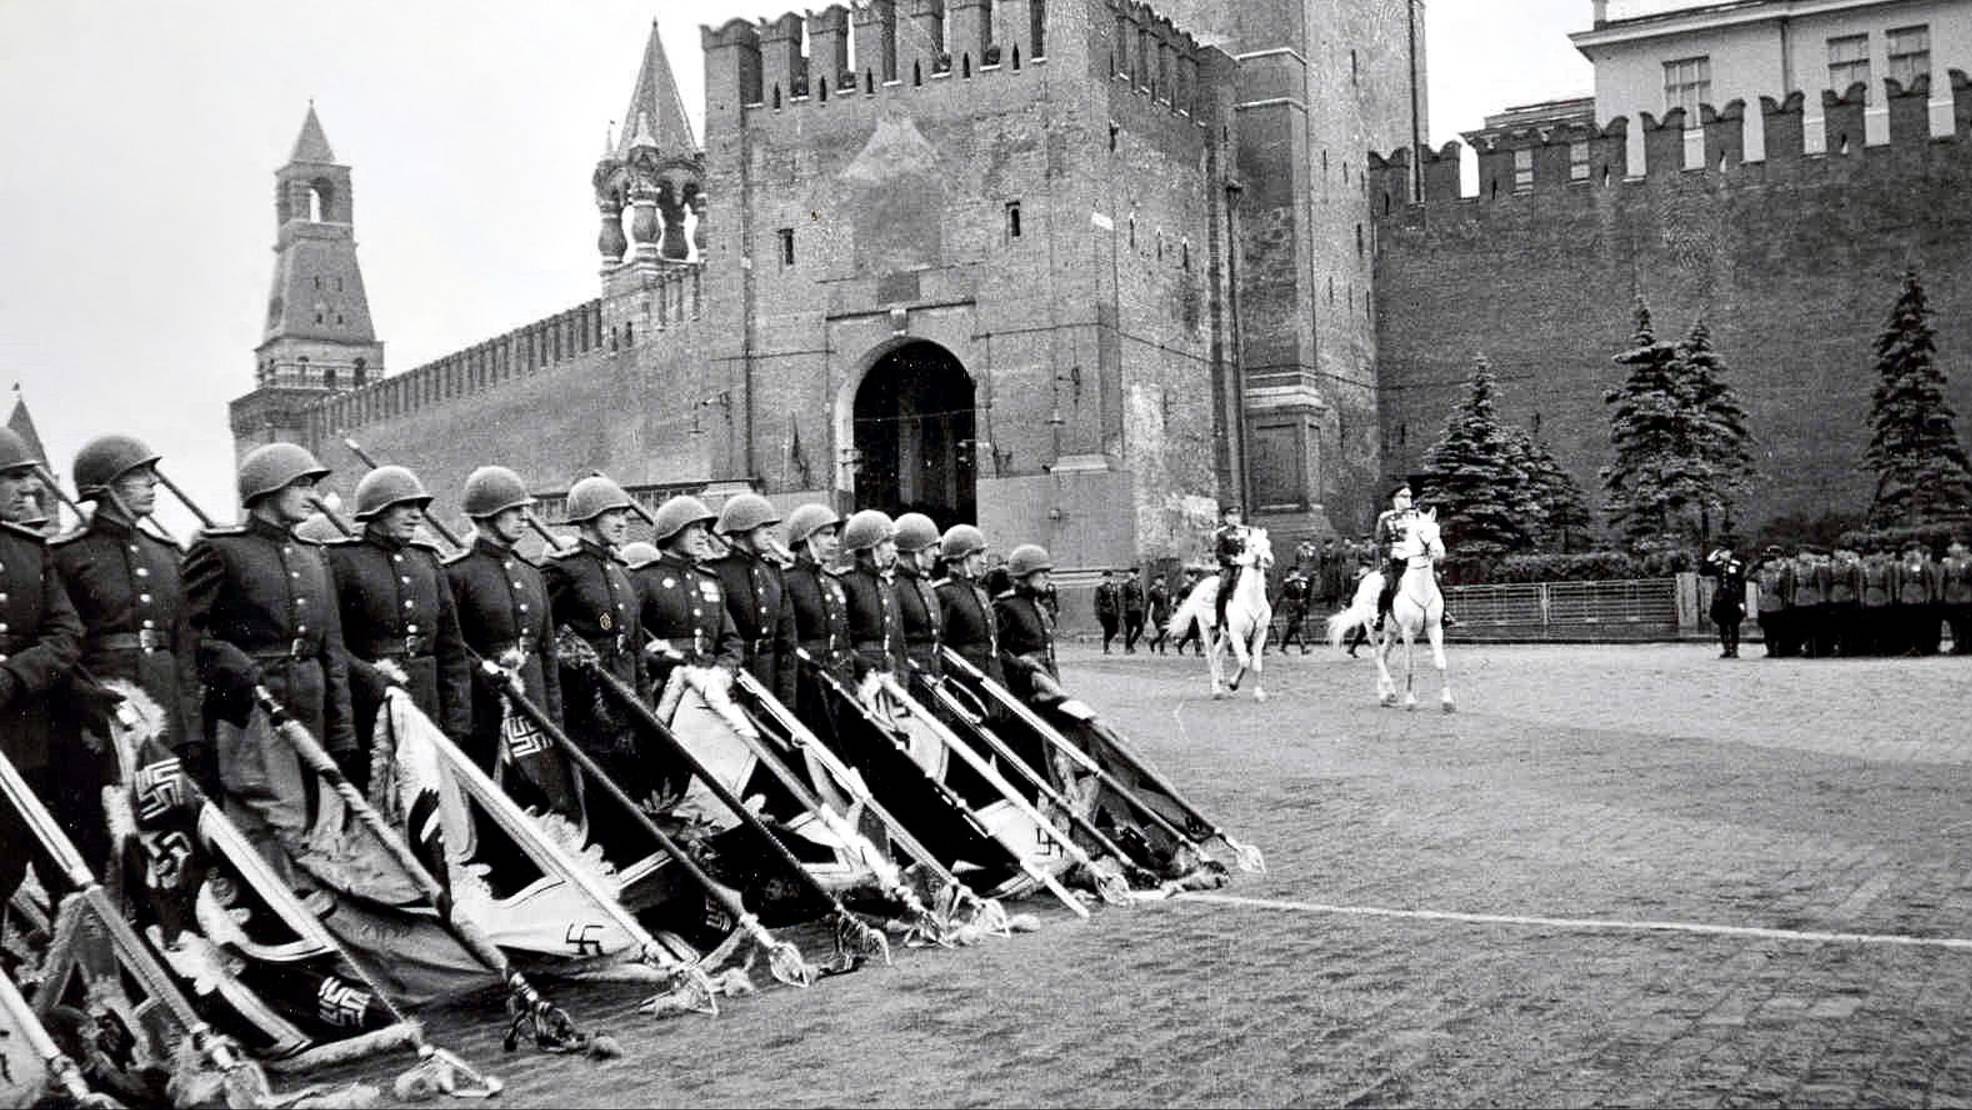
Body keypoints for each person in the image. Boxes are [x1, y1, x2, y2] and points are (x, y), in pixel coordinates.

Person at [182, 442, 356, 881]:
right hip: (247, 711)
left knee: (313, 820)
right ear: (267, 489)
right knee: (259, 823)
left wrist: (342, 729)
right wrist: (229, 661)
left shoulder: (313, 555)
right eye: (301, 485)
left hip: (310, 705)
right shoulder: (222, 550)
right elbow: (185, 634)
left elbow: (331, 648)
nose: (312, 495)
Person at [53, 435, 201, 784]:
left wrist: (191, 727)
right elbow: (63, 645)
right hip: (103, 705)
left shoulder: (166, 554)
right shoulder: (67, 555)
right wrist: (87, 710)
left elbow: (184, 646)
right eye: (138, 474)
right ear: (104, 487)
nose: (153, 482)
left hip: (165, 703)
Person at [322, 465, 471, 749]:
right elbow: (332, 645)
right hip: (370, 703)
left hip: (426, 703)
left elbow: (451, 649)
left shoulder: (426, 561)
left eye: (418, 507)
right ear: (377, 510)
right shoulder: (341, 561)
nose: (416, 515)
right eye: (405, 506)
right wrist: (372, 680)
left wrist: (457, 721)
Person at [443, 465, 565, 805]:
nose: (525, 517)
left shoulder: (531, 574)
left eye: (526, 509)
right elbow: (451, 648)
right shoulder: (458, 574)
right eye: (514, 510)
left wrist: (554, 716)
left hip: (534, 703)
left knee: (541, 798)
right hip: (486, 710)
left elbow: (547, 653)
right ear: (486, 515)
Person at [0, 427, 85, 904]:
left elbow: (66, 634)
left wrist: (15, 677)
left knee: (8, 861)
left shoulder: (31, 551)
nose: (29, 489)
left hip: (22, 737)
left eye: (28, 478)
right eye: (13, 478)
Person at [541, 473, 650, 799]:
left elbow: (634, 645)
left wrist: (644, 702)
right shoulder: (564, 570)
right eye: (612, 514)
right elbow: (545, 634)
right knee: (596, 789)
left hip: (624, 695)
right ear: (588, 519)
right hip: (585, 702)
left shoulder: (620, 570)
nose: (622, 522)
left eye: (623, 514)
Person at [630, 496, 742, 698]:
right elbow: (628, 640)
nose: (704, 535)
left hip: (711, 686)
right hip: (664, 688)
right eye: (695, 528)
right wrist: (659, 660)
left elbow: (731, 640)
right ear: (673, 531)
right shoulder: (644, 579)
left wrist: (723, 671)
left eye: (705, 529)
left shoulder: (709, 579)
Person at [707, 492, 797, 706]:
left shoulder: (772, 571)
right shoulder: (717, 572)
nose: (770, 532)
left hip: (769, 677)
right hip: (735, 677)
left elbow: (787, 638)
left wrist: (787, 697)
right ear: (742, 530)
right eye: (763, 526)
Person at [780, 503, 853, 736]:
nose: (835, 542)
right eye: (826, 535)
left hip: (838, 677)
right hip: (808, 682)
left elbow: (844, 637)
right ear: (806, 539)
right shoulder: (787, 581)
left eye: (834, 535)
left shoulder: (833, 581)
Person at [836, 509, 902, 680]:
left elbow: (897, 640)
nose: (893, 548)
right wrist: (861, 667)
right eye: (887, 541)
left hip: (888, 669)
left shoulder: (885, 583)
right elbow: (840, 637)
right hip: (861, 674)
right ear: (871, 547)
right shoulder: (847, 582)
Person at [935, 524, 1001, 683]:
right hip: (964, 682)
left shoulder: (980, 593)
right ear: (961, 558)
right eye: (977, 554)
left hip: (991, 678)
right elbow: (939, 647)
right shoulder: (944, 593)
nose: (984, 561)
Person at [993, 544, 1060, 703]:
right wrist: (1024, 669)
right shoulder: (1005, 606)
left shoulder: (1039, 607)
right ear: (1025, 574)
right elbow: (996, 650)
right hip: (1022, 692)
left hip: (1047, 684)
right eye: (1041, 572)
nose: (1047, 576)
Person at [891, 512, 944, 676]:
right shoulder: (894, 587)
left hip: (932, 672)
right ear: (916, 549)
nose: (937, 553)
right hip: (909, 675)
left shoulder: (925, 586)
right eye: (932, 547)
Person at [1698, 545, 1748, 658]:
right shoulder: (1717, 565)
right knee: (1722, 624)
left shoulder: (1738, 565)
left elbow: (1742, 583)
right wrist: (1709, 560)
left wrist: (1742, 601)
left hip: (1734, 598)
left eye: (1724, 552)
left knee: (1734, 624)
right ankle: (1726, 648)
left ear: (1729, 553)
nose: (1722, 555)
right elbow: (1703, 572)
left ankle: (1734, 649)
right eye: (1720, 553)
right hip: (1721, 598)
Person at [1898, 541, 1943, 656]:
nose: (1912, 554)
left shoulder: (1923, 565)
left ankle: (1920, 647)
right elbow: (1899, 582)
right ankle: (1910, 647)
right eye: (1909, 552)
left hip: (1919, 595)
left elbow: (1927, 583)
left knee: (1920, 624)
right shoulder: (1902, 565)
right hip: (1907, 595)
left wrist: (1928, 596)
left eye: (1914, 551)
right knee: (1908, 624)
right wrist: (1899, 596)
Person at [1211, 505, 1246, 643]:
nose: (1234, 518)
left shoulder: (1246, 531)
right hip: (1229, 567)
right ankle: (1218, 621)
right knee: (1224, 588)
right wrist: (1232, 560)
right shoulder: (1222, 533)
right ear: (1226, 518)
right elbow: (1219, 553)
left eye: (1237, 515)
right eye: (1231, 516)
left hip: (1245, 566)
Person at [1752, 545, 1795, 657]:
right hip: (1764, 603)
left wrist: (1786, 603)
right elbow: (1746, 575)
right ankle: (1770, 649)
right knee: (1766, 629)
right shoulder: (1760, 573)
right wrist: (1757, 564)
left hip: (1777, 603)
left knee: (1778, 629)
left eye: (1770, 561)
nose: (1768, 564)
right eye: (1766, 561)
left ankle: (1779, 649)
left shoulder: (1780, 573)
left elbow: (1786, 589)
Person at [1859, 545, 1897, 656]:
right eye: (1872, 555)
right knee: (1870, 625)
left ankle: (1883, 648)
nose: (1874, 558)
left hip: (1881, 596)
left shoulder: (1884, 568)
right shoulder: (1865, 568)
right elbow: (1862, 585)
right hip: (1869, 596)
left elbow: (1888, 584)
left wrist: (1889, 598)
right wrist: (1862, 598)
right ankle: (1872, 648)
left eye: (1876, 555)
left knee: (1882, 625)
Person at [1825, 547, 1863, 657]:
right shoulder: (1831, 566)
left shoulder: (1851, 566)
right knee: (1836, 624)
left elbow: (1855, 582)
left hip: (1847, 594)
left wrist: (1856, 595)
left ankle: (1848, 648)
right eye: (1837, 552)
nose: (1840, 554)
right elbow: (1827, 582)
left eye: (1842, 552)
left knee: (1848, 624)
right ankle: (1839, 647)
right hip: (1835, 595)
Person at [1942, 540, 1972, 655]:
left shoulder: (1969, 562)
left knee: (1966, 622)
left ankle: (1967, 645)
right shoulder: (1947, 563)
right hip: (1952, 595)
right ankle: (1957, 644)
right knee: (1954, 622)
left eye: (1958, 549)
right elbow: (1944, 579)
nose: (1956, 552)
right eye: (1954, 549)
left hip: (1966, 594)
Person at [1277, 566, 1312, 654]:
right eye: (1295, 573)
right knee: (1297, 627)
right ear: (1290, 575)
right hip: (1292, 608)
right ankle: (1303, 648)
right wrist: (1290, 604)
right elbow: (1284, 597)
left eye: (1297, 573)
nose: (1297, 574)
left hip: (1300, 608)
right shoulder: (1287, 584)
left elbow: (1306, 593)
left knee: (1291, 629)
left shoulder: (1302, 582)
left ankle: (1282, 647)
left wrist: (1305, 604)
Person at [1173, 566, 1206, 657]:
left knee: (1192, 632)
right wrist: (1177, 607)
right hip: (1190, 611)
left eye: (1193, 575)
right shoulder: (1185, 587)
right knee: (1195, 629)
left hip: (1198, 610)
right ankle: (1198, 650)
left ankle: (1180, 645)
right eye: (1190, 575)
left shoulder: (1198, 586)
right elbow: (1179, 598)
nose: (1192, 577)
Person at [1093, 570, 1121, 654]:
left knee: (1115, 629)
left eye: (1109, 577)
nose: (1107, 579)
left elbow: (1116, 600)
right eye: (1106, 577)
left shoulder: (1114, 587)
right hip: (1104, 612)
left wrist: (1118, 611)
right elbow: (1097, 601)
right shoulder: (1100, 588)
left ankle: (1106, 641)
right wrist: (1098, 613)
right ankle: (1106, 647)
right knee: (1107, 629)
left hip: (1113, 611)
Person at [1145, 572, 1172, 655]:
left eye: (1164, 580)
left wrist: (1170, 610)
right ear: (1157, 580)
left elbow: (1169, 601)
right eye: (1162, 580)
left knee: (1164, 632)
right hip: (1157, 614)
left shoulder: (1166, 590)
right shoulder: (1153, 590)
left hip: (1165, 613)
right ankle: (1162, 650)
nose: (1164, 582)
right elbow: (1148, 603)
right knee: (1162, 630)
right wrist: (1146, 616)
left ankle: (1152, 642)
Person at [1120, 568, 1147, 654]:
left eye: (1136, 574)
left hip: (1137, 609)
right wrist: (1123, 611)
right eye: (1134, 574)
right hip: (1129, 610)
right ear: (1130, 574)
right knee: (1129, 630)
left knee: (1140, 628)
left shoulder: (1138, 584)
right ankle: (1127, 648)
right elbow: (1123, 598)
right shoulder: (1125, 584)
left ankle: (1130, 644)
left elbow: (1141, 596)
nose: (1136, 576)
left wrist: (1142, 606)